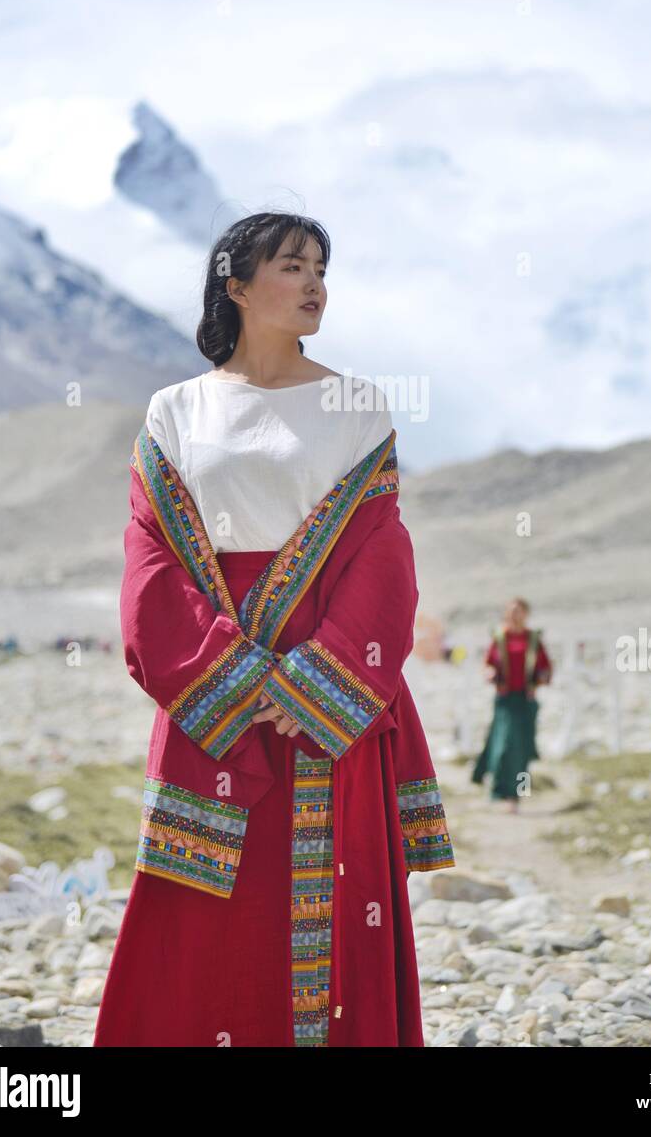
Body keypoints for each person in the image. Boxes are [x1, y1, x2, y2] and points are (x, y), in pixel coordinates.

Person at [93, 210, 454, 1049]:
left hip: (329, 692)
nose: (315, 282)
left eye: (322, 267)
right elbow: (152, 565)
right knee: (204, 907)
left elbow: (381, 553)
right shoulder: (175, 411)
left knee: (335, 901)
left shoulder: (356, 405)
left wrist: (314, 685)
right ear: (238, 285)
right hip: (213, 694)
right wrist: (237, 683)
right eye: (292, 265)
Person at [471, 598, 552, 813]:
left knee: (523, 750)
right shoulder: (499, 638)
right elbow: (487, 664)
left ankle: (520, 794)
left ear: (526, 613)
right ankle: (499, 792)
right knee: (503, 746)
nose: (515, 615)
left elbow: (545, 667)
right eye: (512, 611)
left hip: (526, 701)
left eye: (519, 611)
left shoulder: (533, 639)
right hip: (505, 701)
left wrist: (541, 679)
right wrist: (489, 673)